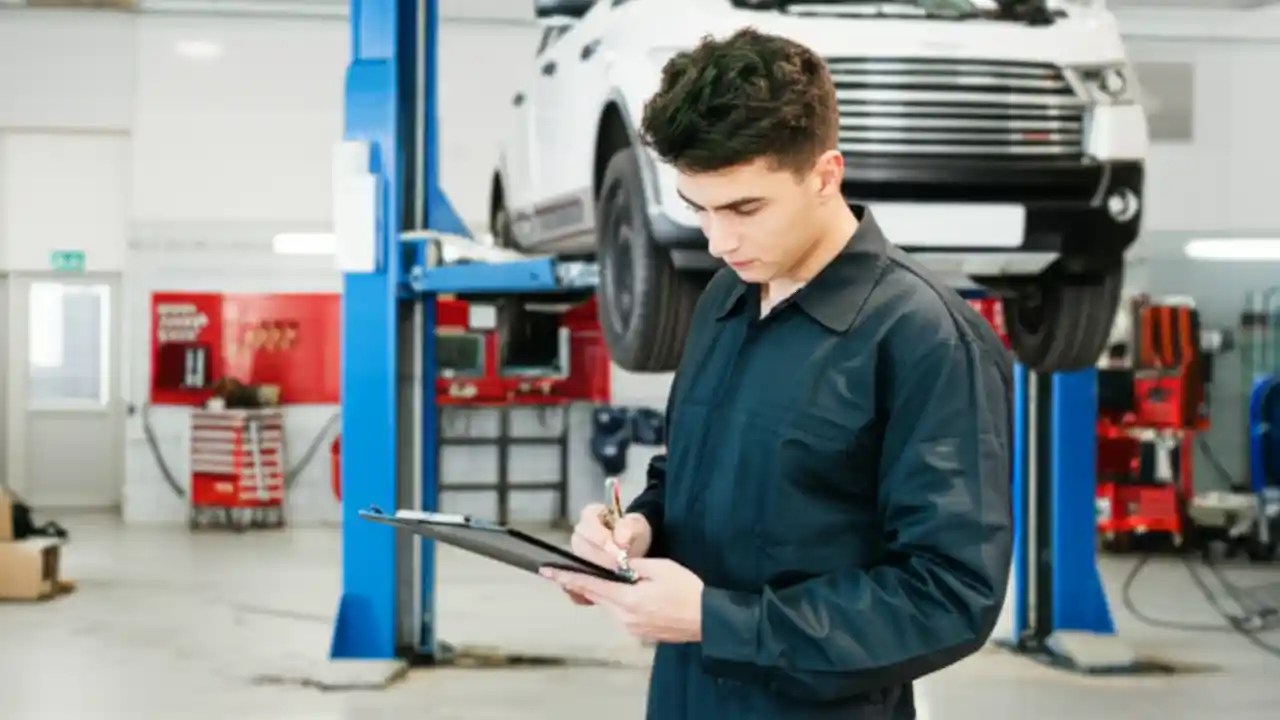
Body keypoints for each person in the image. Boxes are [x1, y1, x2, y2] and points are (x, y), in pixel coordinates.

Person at [539, 27, 1014, 720]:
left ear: (825, 175)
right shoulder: (725, 299)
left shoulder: (924, 338)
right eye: (698, 208)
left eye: (745, 208)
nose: (718, 240)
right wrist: (635, 530)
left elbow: (948, 597)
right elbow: (690, 476)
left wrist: (716, 619)